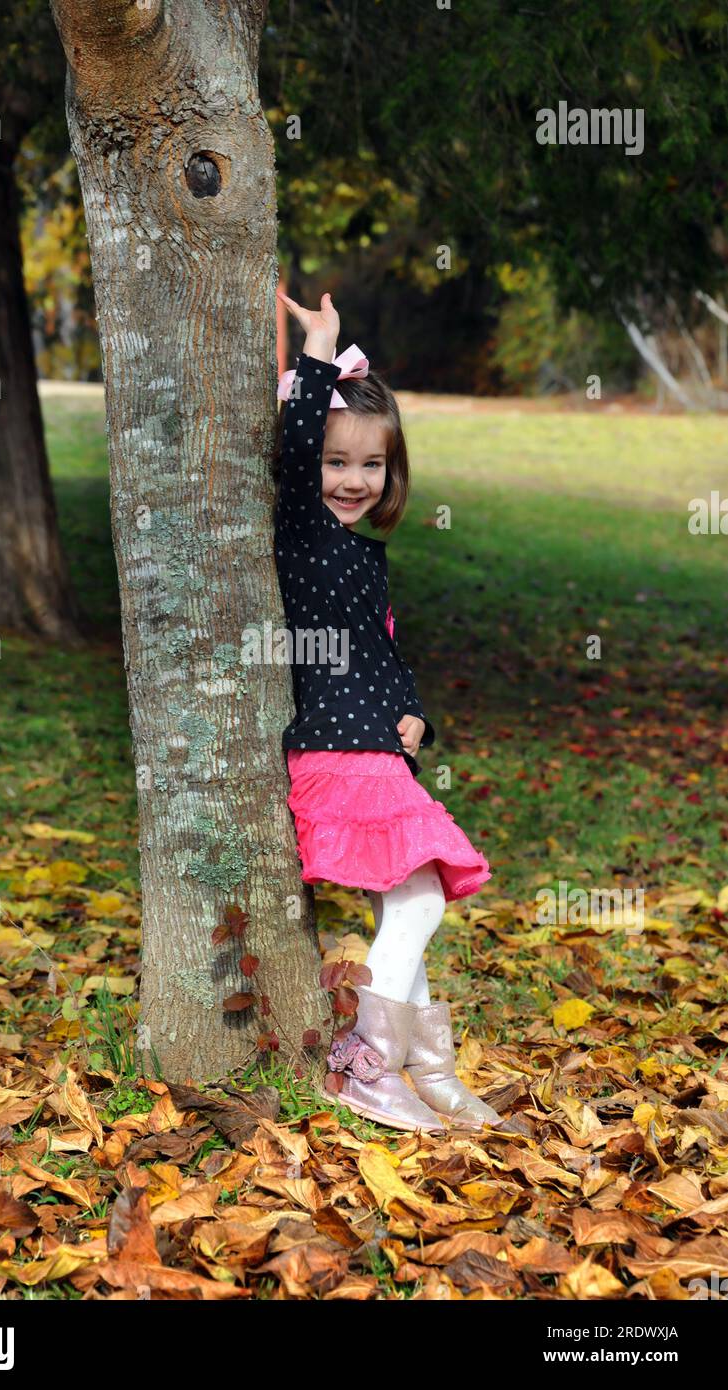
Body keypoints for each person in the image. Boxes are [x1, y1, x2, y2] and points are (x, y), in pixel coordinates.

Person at [274, 289, 523, 1136]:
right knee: (419, 905)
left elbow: (383, 653)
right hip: (335, 750)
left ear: (392, 472)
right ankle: (367, 1067)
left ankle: (432, 1073)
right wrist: (320, 350)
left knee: (401, 905)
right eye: (336, 463)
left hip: (379, 747)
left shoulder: (365, 557)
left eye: (370, 466)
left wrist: (416, 715)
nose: (350, 480)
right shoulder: (302, 535)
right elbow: (293, 444)